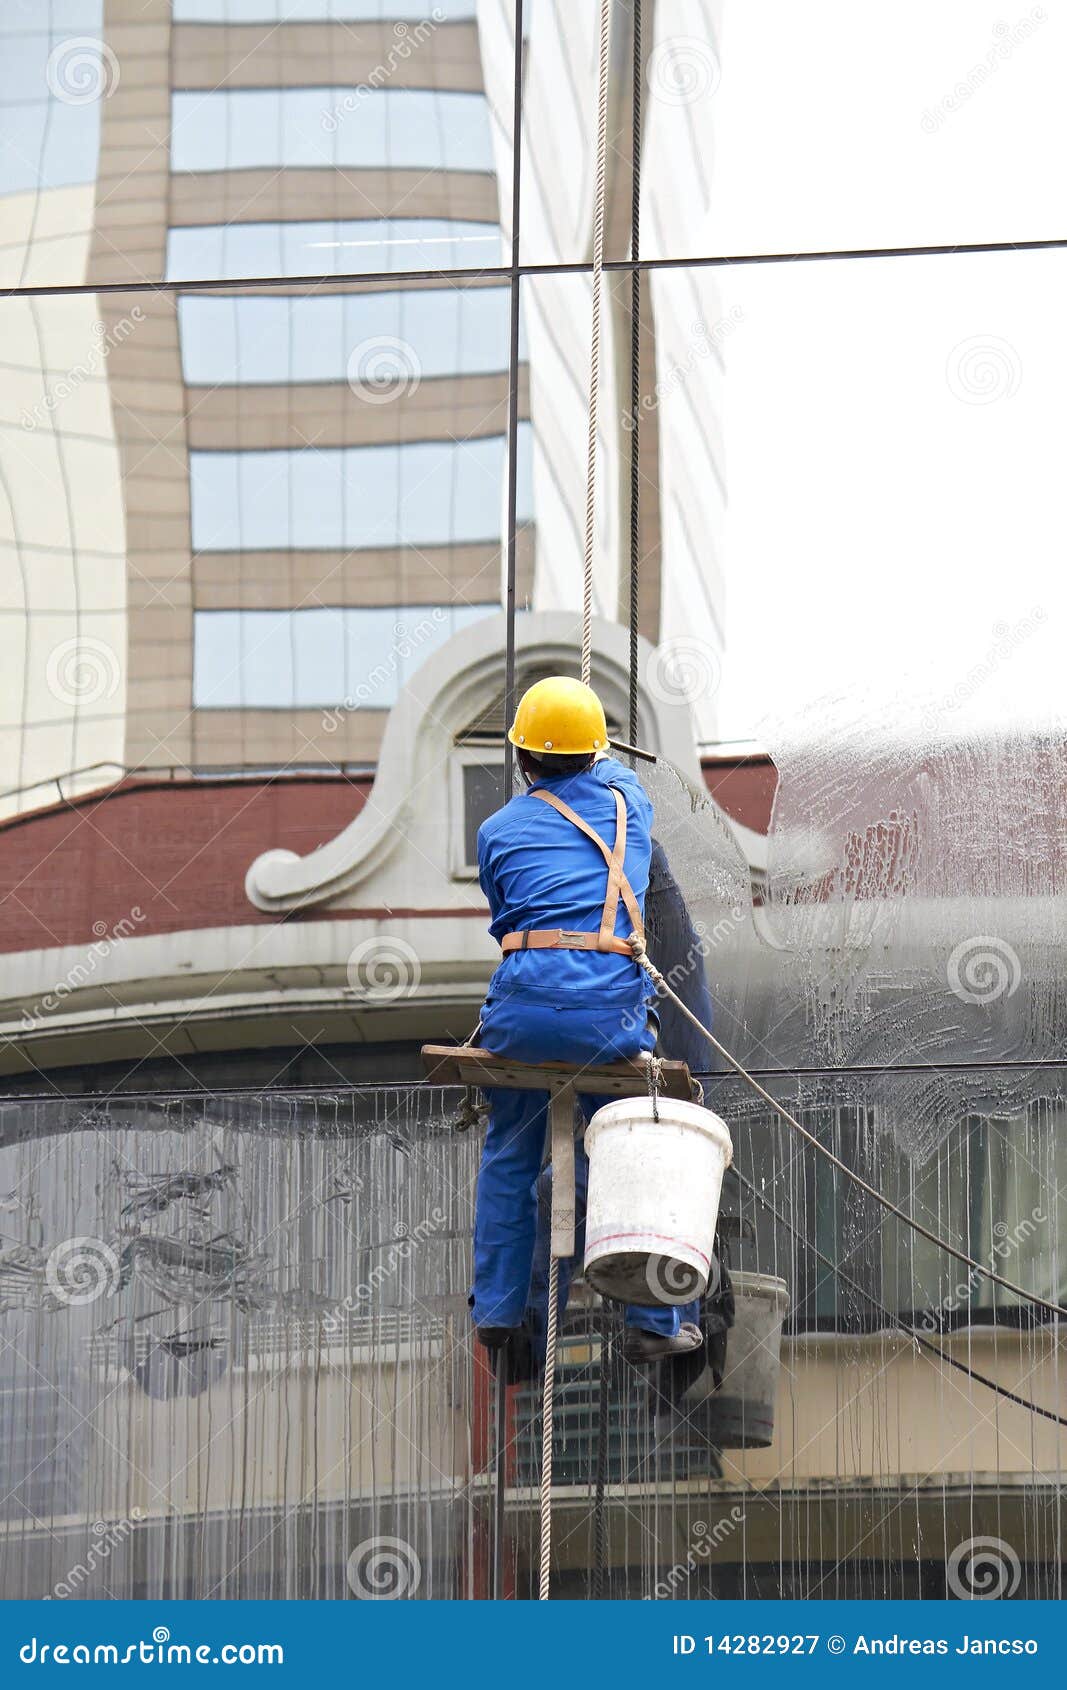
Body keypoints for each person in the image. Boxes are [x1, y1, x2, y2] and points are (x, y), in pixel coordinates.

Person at [470, 674, 704, 1362]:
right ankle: (655, 1322)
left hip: (521, 1011)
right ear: (596, 753)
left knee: (511, 1147)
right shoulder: (627, 803)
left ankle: (497, 1309)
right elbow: (608, 770)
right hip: (607, 1014)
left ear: (522, 760)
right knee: (635, 1139)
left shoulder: (495, 830)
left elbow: (504, 910)